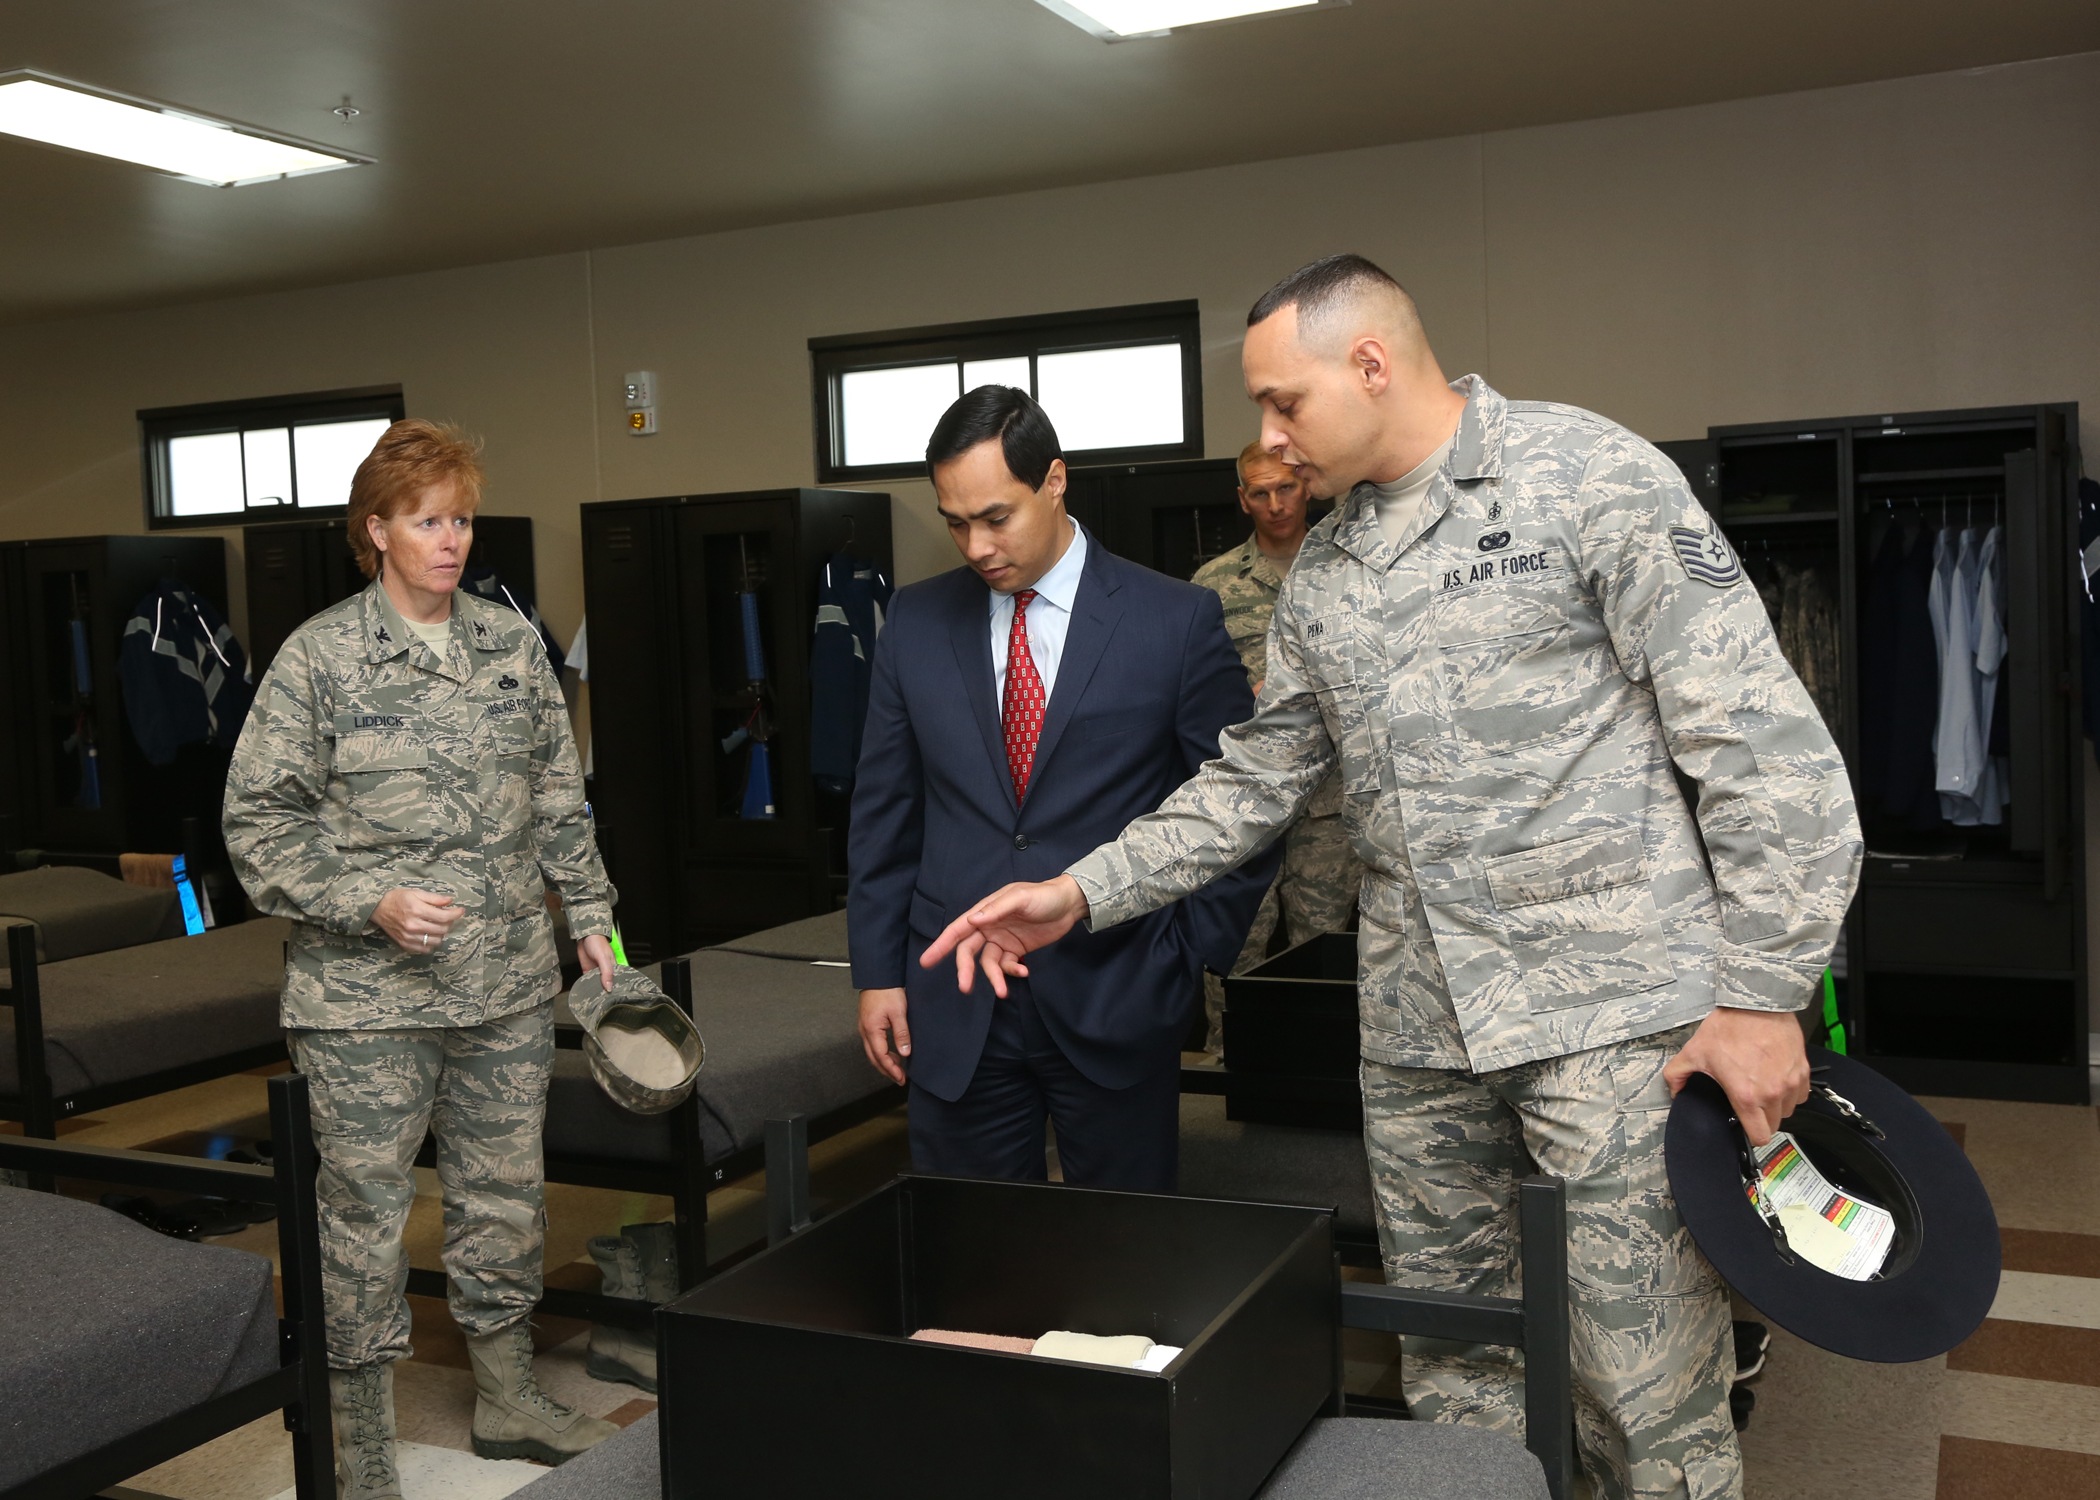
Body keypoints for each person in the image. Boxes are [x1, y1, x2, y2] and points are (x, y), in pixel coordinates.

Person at [923, 256, 1862, 1500]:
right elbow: (1254, 783)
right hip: (1421, 1042)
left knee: (1642, 1386)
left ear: (1371, 363)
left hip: (1613, 1026)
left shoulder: (1589, 479)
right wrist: (1082, 889)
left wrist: (1757, 992)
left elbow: (1765, 751)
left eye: (1281, 402)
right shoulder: (1325, 570)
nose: (1266, 438)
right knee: (1457, 1380)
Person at [224, 419, 621, 1500]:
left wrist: (594, 922)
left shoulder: (509, 642)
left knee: (505, 1197)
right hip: (367, 1005)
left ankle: (505, 1395)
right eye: (430, 521)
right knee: (362, 1221)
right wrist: (372, 902)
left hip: (502, 985)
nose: (452, 540)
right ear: (378, 532)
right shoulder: (320, 659)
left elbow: (557, 795)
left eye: (462, 520)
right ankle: (359, 1445)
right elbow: (258, 827)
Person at [849, 385, 1276, 1191]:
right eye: (954, 521)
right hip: (954, 999)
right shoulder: (913, 622)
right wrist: (878, 974)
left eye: (996, 516)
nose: (975, 546)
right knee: (972, 1259)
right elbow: (884, 815)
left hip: (1119, 988)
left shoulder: (1174, 621)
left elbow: (1243, 810)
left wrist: (1186, 957)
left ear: (1053, 480)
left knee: (1121, 1267)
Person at [1190, 439, 1367, 1052]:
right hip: (1246, 799)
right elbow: (1192, 693)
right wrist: (1251, 701)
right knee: (1234, 942)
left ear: (1306, 487)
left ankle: (1307, 1070)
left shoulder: (1348, 567)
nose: (1275, 503)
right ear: (1242, 499)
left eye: (1285, 488)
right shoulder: (1211, 586)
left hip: (1329, 800)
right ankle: (1227, 1063)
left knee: (1320, 946)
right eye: (1259, 492)